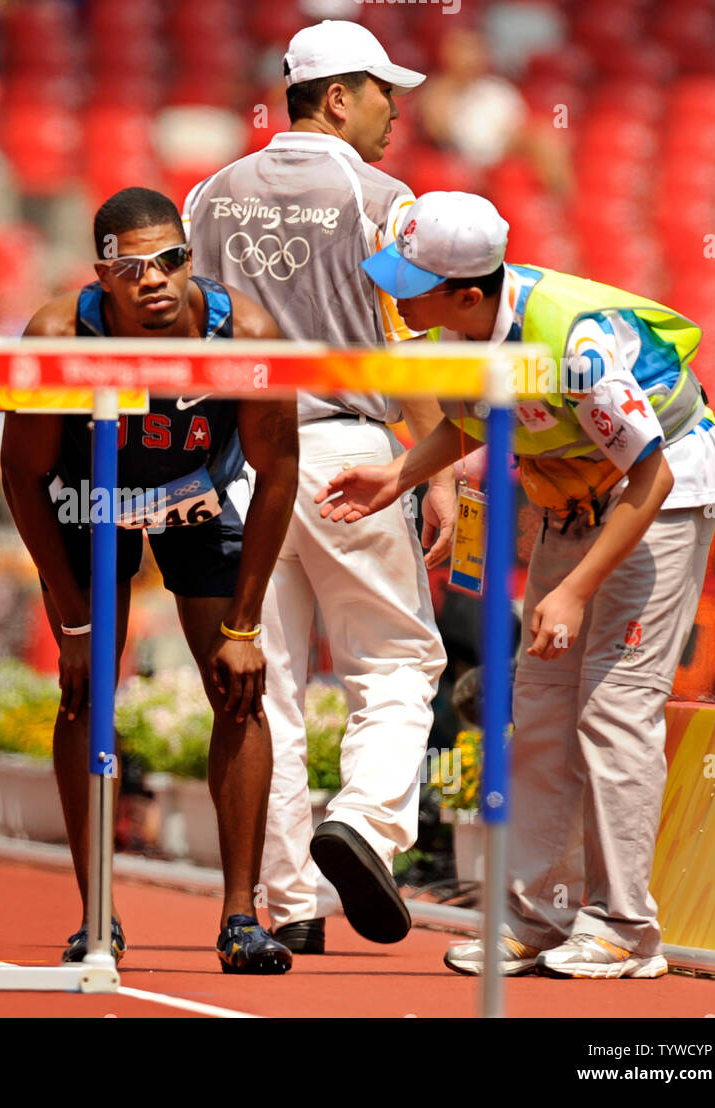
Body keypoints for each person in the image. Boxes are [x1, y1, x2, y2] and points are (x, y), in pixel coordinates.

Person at [323, 190, 715, 978]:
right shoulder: (463, 334)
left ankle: (624, 928)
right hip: (572, 500)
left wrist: (575, 588)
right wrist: (397, 475)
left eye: (409, 280)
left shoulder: (571, 343)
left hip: (662, 494)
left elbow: (647, 477)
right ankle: (536, 916)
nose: (394, 292)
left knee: (612, 710)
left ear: (466, 293)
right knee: (539, 705)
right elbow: (471, 421)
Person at [182, 19, 455, 953]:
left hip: (236, 462)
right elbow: (410, 341)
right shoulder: (382, 198)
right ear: (338, 98)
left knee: (274, 685)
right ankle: (369, 826)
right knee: (399, 663)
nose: (396, 113)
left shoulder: (207, 195)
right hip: (349, 454)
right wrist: (438, 468)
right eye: (386, 94)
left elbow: (184, 340)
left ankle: (291, 899)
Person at [0, 187, 300, 974]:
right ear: (102, 274)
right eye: (133, 268)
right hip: (88, 500)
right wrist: (72, 625)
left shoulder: (248, 334)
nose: (156, 280)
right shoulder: (61, 333)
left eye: (170, 260)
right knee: (86, 691)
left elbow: (279, 473)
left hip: (197, 497)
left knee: (239, 687)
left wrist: (244, 627)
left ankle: (242, 916)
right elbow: (21, 476)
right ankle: (97, 912)